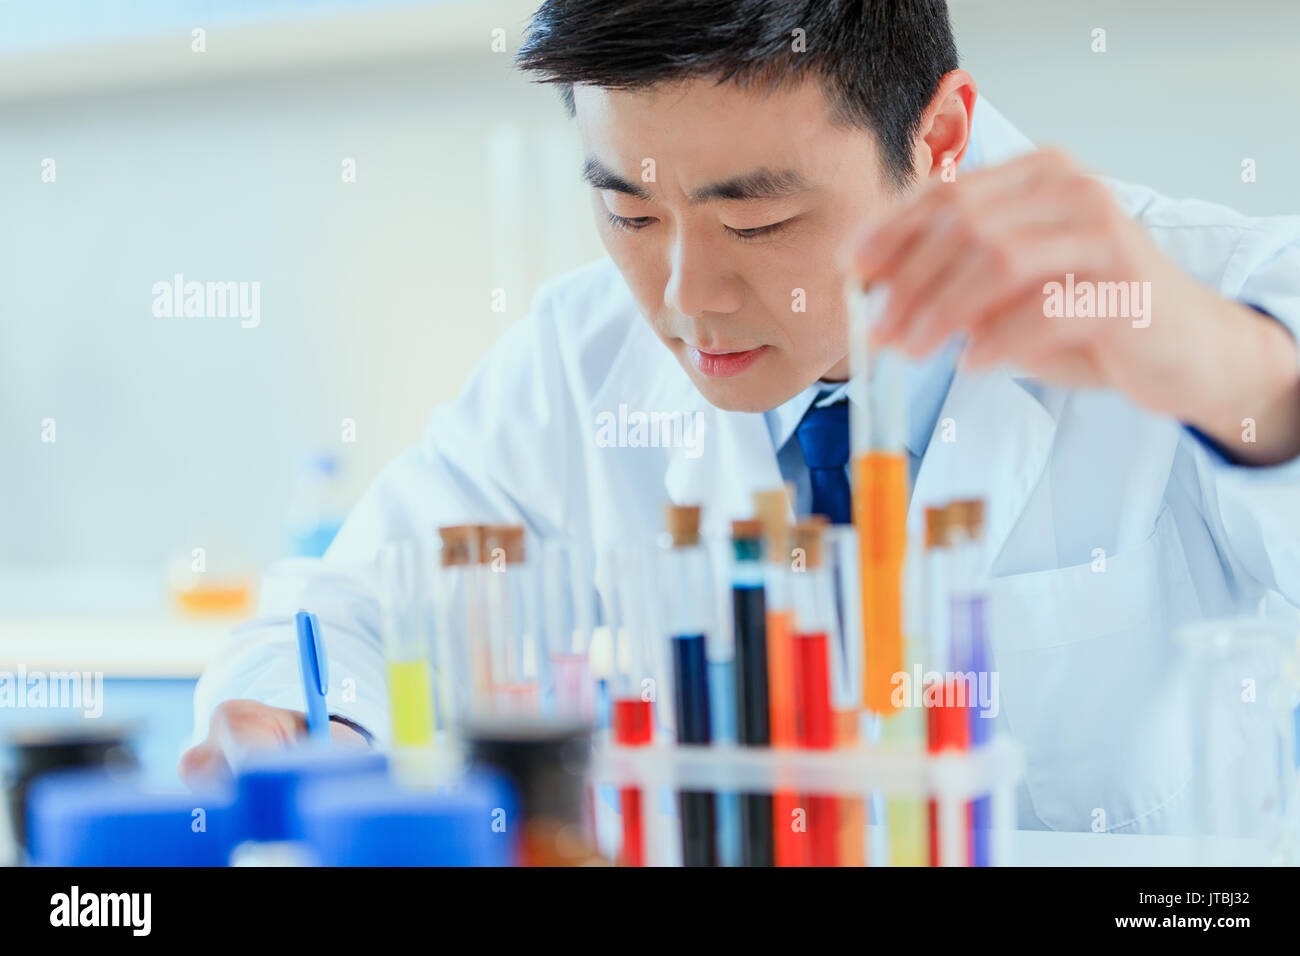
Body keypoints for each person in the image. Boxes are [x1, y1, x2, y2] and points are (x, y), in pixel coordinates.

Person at [182, 0, 1300, 835]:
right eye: (626, 209)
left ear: (941, 135)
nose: (685, 299)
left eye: (757, 222)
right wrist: (300, 723)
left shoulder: (1202, 290)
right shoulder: (579, 361)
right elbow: (348, 608)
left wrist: (1241, 375)